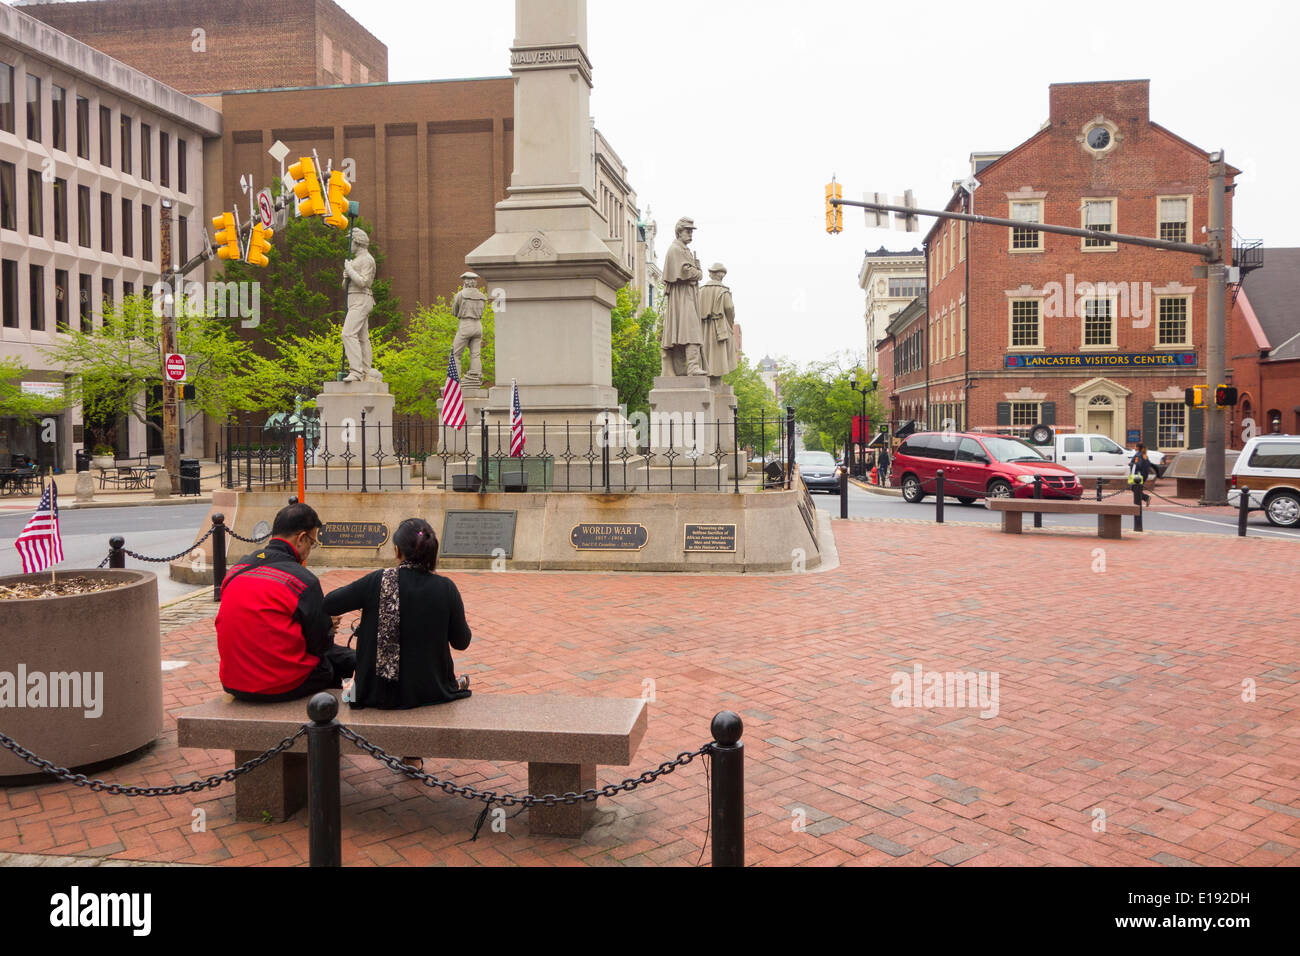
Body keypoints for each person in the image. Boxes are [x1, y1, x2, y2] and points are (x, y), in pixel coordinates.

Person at [323, 518, 472, 715]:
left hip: (376, 692)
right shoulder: (446, 588)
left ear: (397, 551)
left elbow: (330, 603)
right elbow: (462, 642)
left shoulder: (378, 581)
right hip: (431, 691)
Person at [216, 503, 357, 702]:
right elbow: (320, 645)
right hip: (281, 685)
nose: (310, 549)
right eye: (311, 543)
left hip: (234, 682)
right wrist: (327, 624)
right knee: (341, 662)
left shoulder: (236, 570)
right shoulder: (301, 580)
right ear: (301, 538)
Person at [660, 217, 706, 377]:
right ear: (679, 231)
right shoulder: (676, 249)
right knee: (690, 330)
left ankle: (683, 369)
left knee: (682, 332)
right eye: (688, 230)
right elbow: (687, 272)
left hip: (686, 296)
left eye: (691, 231)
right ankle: (692, 367)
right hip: (682, 297)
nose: (691, 234)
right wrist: (698, 272)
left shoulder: (683, 249)